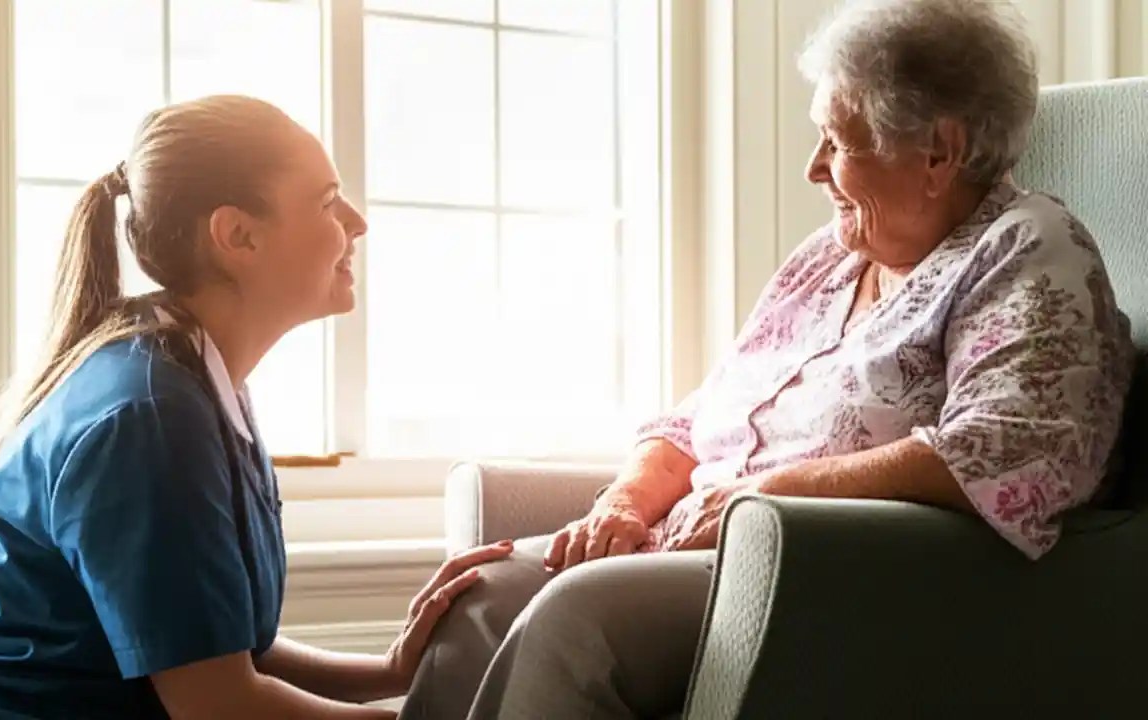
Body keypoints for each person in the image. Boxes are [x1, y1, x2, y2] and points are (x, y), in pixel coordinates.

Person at [398, 1, 1137, 718]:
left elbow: (1010, 452)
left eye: (837, 142)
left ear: (938, 151)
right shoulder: (828, 259)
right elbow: (701, 417)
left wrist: (762, 495)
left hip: (827, 573)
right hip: (701, 544)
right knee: (480, 597)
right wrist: (624, 502)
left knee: (576, 622)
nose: (814, 167)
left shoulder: (1024, 247)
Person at [0, 95, 513, 720]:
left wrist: (389, 673)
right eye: (326, 202)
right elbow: (218, 704)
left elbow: (215, 654)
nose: (357, 221)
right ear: (237, 235)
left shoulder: (200, 384)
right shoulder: (151, 417)